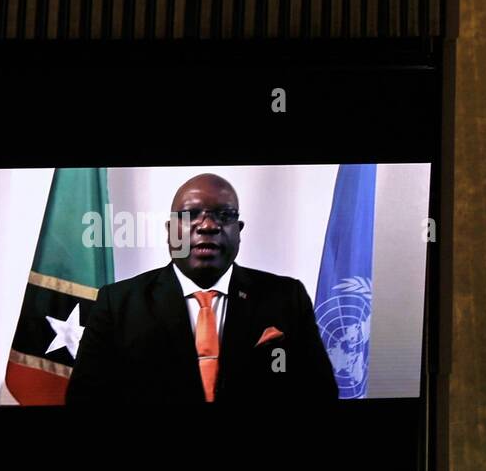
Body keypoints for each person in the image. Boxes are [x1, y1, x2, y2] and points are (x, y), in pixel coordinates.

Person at [66, 173, 339, 405]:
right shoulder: (118, 303)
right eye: (190, 214)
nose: (208, 225)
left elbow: (319, 393)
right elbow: (86, 400)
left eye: (224, 215)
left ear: (239, 229)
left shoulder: (286, 297)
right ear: (170, 230)